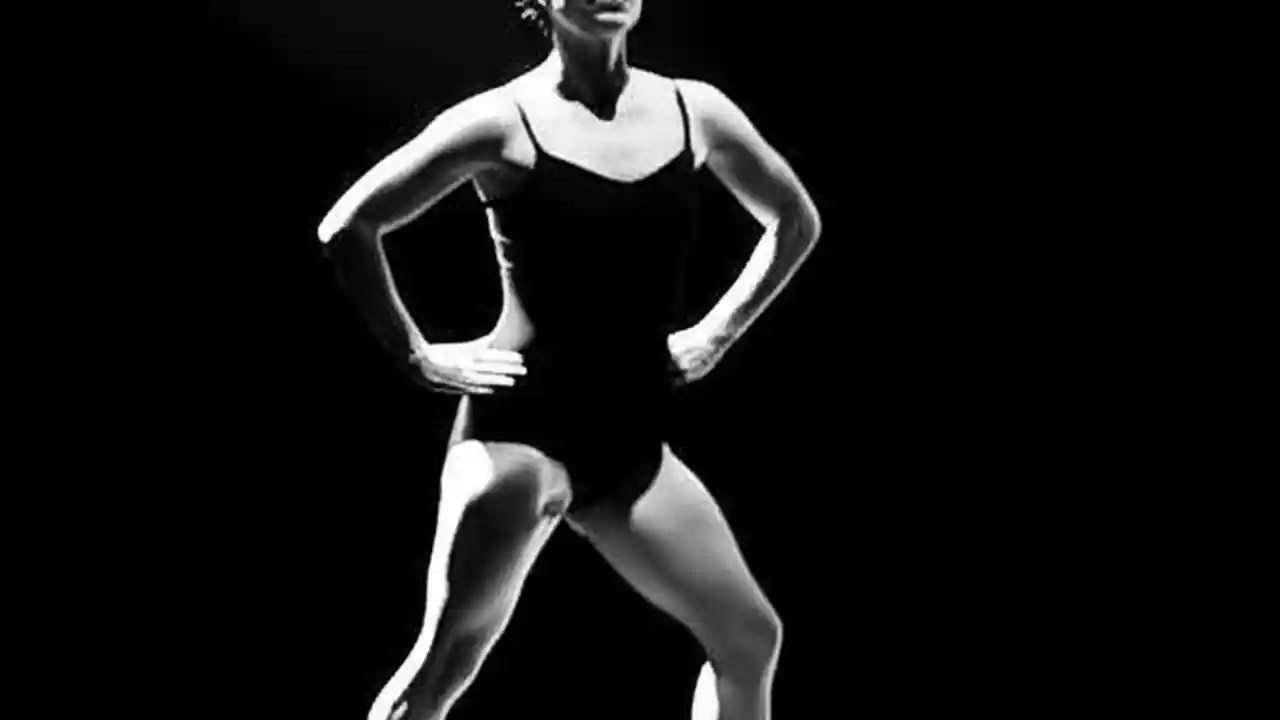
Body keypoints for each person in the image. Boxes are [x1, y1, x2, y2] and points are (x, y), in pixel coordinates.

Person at [317, 1, 822, 718]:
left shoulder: (694, 111)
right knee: (444, 665)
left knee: (748, 639)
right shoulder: (503, 119)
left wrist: (717, 333)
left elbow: (795, 219)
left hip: (627, 440)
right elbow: (349, 225)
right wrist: (416, 355)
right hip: (521, 434)